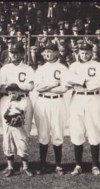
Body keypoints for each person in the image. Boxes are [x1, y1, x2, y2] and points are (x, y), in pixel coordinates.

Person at [65, 42, 100, 175]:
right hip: (77, 98)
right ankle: (78, 165)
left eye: (87, 52)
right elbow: (68, 81)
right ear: (78, 53)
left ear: (91, 52)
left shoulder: (98, 66)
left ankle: (95, 165)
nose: (85, 55)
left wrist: (81, 82)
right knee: (77, 131)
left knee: (94, 130)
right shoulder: (73, 66)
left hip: (93, 98)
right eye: (82, 52)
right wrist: (86, 82)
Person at [0, 43, 36, 176]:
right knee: (7, 131)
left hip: (24, 99)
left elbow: (30, 86)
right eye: (12, 52)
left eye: (16, 52)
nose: (13, 55)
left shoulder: (28, 68)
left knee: (24, 130)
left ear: (22, 54)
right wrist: (13, 89)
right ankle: (10, 165)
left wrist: (15, 86)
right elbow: (0, 88)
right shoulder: (5, 68)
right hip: (7, 100)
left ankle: (25, 165)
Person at [33, 43, 70, 175]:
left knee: (57, 133)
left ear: (56, 53)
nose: (47, 54)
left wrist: (47, 87)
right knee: (43, 134)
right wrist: (53, 85)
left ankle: (58, 165)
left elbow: (64, 88)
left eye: (50, 51)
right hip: (43, 101)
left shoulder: (63, 68)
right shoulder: (40, 69)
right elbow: (38, 87)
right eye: (45, 52)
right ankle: (42, 164)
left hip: (58, 101)